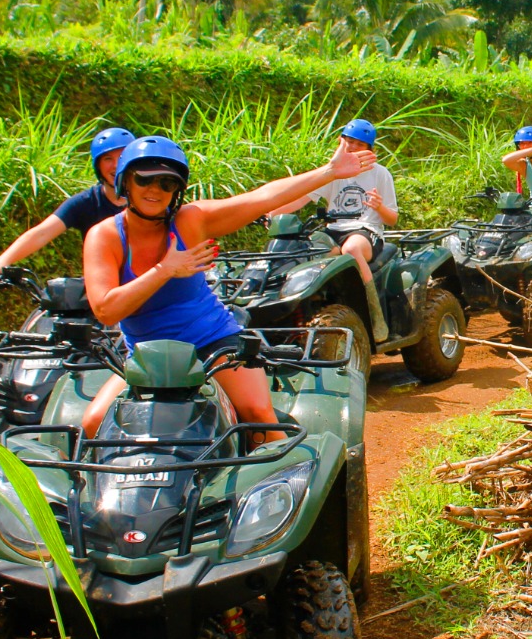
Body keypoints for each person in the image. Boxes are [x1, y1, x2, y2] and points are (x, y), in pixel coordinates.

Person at [80, 135, 377, 442]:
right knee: (92, 424)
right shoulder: (105, 236)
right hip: (147, 355)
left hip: (212, 340)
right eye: (144, 180)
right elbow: (105, 310)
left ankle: (276, 484)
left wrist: (329, 171)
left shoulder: (189, 221)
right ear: (125, 183)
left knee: (258, 415)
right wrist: (164, 270)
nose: (155, 190)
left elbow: (262, 198)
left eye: (167, 184)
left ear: (176, 191)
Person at [272, 119, 398, 342]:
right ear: (340, 142)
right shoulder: (334, 172)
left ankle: (375, 318)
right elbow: (301, 198)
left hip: (365, 231)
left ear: (370, 148)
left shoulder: (380, 174)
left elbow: (393, 219)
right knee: (303, 252)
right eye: (348, 141)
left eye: (359, 144)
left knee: (350, 249)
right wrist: (269, 213)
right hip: (332, 231)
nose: (352, 147)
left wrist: (378, 206)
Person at [0, 127, 135, 281]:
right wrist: (1, 263)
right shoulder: (85, 202)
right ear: (98, 167)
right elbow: (41, 233)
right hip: (103, 286)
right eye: (108, 159)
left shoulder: (150, 199)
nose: (115, 165)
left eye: (121, 157)